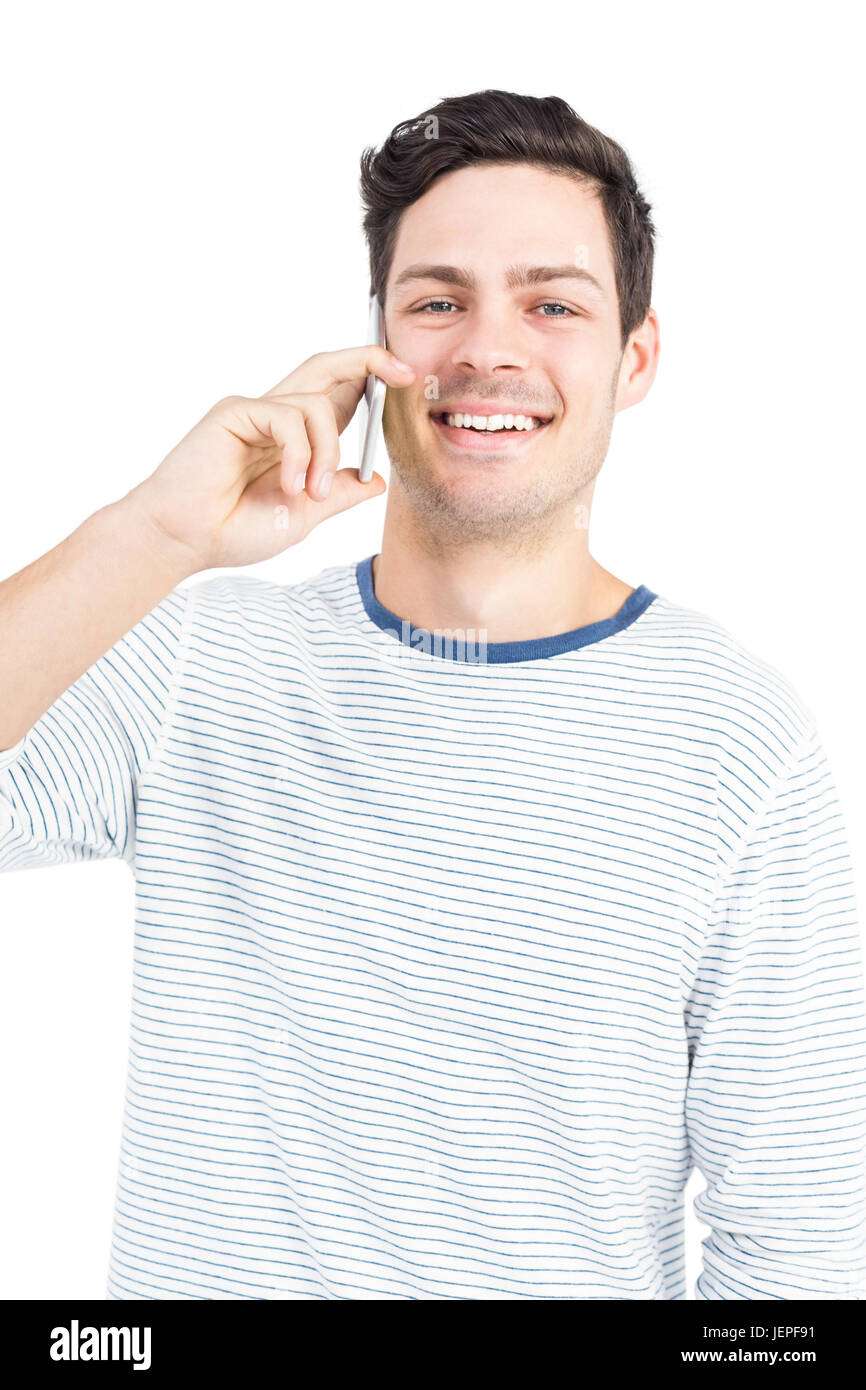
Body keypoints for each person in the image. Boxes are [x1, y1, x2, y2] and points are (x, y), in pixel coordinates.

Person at [1, 88, 864, 1302]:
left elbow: (796, 1252)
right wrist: (156, 530)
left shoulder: (735, 739)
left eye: (551, 303)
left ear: (635, 356)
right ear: (376, 346)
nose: (487, 349)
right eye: (437, 300)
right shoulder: (190, 659)